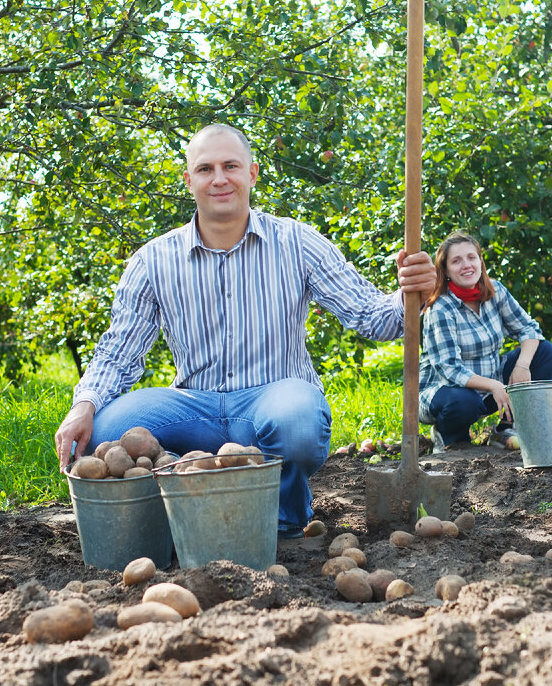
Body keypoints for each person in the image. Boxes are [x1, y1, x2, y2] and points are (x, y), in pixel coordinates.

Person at [53, 123, 437, 538]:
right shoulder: (154, 261)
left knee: (298, 423)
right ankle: (188, 500)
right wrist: (84, 404)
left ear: (252, 173)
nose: (219, 178)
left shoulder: (296, 242)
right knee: (107, 432)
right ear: (189, 180)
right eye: (205, 169)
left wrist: (411, 294)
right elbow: (120, 351)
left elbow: (371, 316)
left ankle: (284, 514)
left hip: (273, 401)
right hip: (193, 408)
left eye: (230, 166)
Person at [418, 231, 552, 449]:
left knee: (544, 353)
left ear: (481, 262)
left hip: (492, 383)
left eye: (471, 258)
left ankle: (508, 428)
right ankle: (449, 436)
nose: (466, 265)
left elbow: (529, 329)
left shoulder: (495, 291)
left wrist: (521, 366)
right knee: (463, 402)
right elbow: (449, 369)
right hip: (446, 391)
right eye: (456, 261)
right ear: (445, 270)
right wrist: (494, 385)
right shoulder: (440, 308)